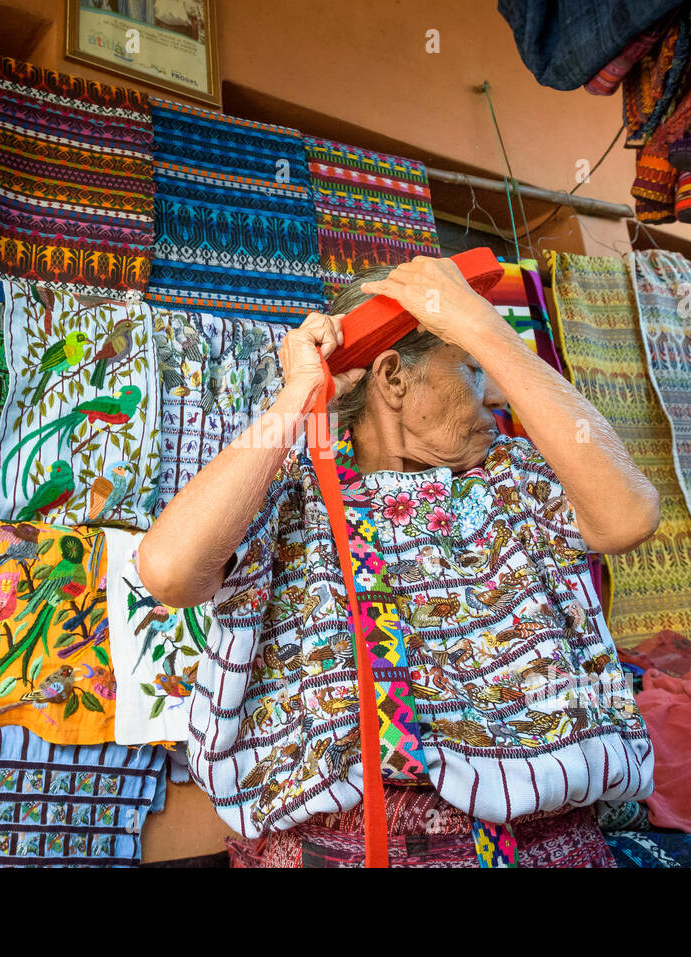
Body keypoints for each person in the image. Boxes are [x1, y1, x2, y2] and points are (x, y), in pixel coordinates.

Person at [138, 255, 660, 867]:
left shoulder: (513, 482)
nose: (494, 394)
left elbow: (630, 516)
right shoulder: (293, 499)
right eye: (471, 369)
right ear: (391, 378)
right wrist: (298, 396)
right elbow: (169, 570)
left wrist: (481, 328)